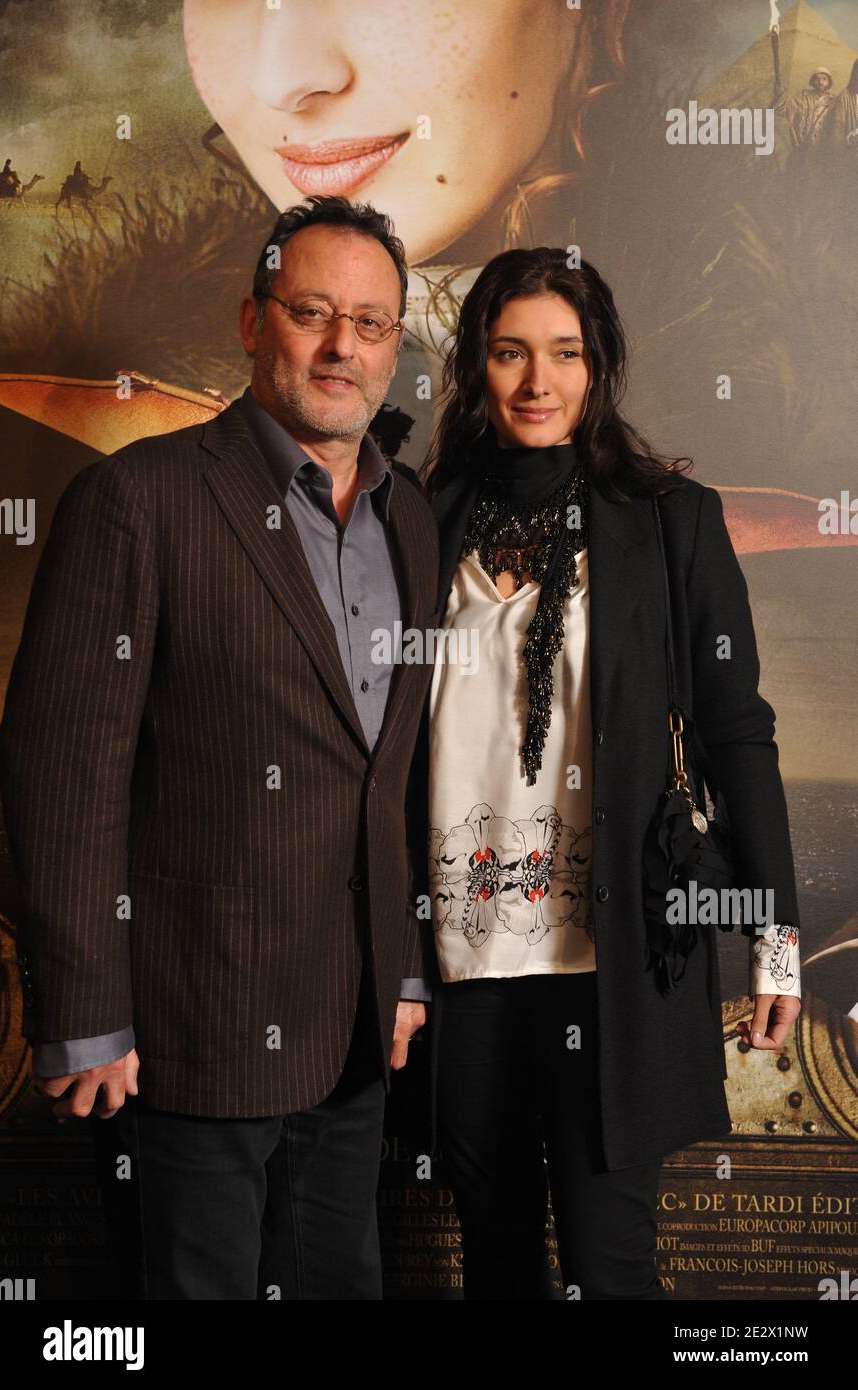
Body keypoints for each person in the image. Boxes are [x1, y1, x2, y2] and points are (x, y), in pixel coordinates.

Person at [0, 195, 439, 1300]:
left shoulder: (413, 522)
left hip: (352, 1034)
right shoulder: (136, 502)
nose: (342, 345)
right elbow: (62, 773)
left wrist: (406, 963)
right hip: (190, 1028)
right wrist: (87, 1015)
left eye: (372, 323)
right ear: (253, 321)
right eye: (312, 312)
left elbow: (394, 773)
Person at [407, 247, 802, 1300]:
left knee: (607, 1261)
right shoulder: (416, 522)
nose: (538, 382)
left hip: (615, 956)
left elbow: (736, 734)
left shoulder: (672, 522)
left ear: (600, 366)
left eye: (565, 353)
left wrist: (773, 940)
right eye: (509, 352)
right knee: (489, 1256)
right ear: (475, 368)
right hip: (458, 961)